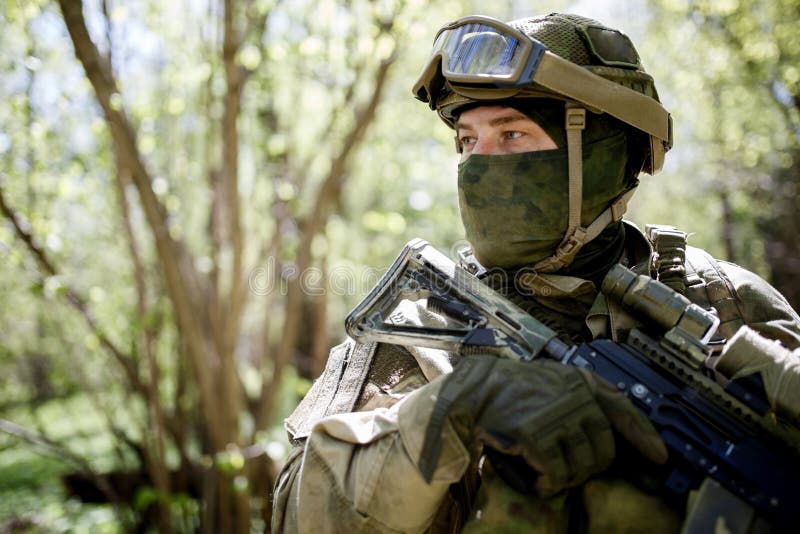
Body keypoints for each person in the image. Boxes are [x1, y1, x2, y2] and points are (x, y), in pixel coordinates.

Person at [271, 13, 800, 533]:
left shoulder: (726, 301)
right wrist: (452, 412)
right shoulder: (422, 332)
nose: (479, 165)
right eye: (468, 142)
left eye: (512, 135)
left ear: (606, 153)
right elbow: (297, 514)